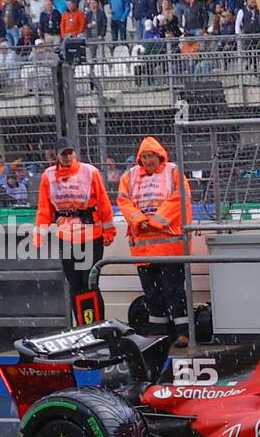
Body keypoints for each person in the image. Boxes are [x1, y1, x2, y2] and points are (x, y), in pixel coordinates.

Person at [116, 136, 193, 347]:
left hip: (170, 247)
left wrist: (157, 221)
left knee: (173, 291)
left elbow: (181, 197)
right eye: (144, 157)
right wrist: (139, 219)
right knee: (152, 294)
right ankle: (158, 335)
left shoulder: (173, 171)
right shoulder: (130, 176)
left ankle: (182, 332)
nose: (148, 160)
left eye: (151, 156)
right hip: (143, 250)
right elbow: (123, 201)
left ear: (160, 156)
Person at [34, 136, 116, 323]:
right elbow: (44, 209)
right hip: (66, 236)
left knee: (90, 283)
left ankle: (96, 324)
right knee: (75, 285)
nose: (68, 157)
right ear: (57, 156)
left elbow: (104, 204)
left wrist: (109, 231)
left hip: (91, 235)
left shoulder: (90, 172)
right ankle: (82, 324)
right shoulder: (48, 176)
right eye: (64, 154)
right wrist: (39, 235)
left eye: (70, 152)